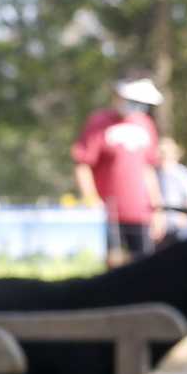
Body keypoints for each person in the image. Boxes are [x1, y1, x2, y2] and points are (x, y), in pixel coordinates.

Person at [72, 76, 165, 264]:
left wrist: (157, 209)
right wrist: (91, 198)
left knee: (145, 267)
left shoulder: (146, 125)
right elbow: (83, 165)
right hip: (109, 213)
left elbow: (148, 169)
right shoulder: (99, 123)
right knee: (113, 268)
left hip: (141, 212)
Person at [156, 137, 187, 240]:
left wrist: (184, 216)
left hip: (179, 227)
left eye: (164, 152)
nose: (161, 155)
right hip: (162, 228)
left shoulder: (180, 172)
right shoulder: (156, 174)